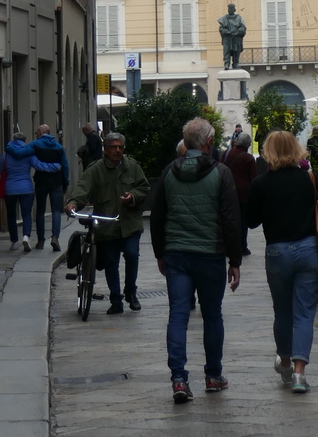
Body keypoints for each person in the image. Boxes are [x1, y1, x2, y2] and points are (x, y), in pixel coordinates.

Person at [149, 119, 243, 403]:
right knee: (212, 314)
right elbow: (230, 219)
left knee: (178, 315)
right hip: (210, 254)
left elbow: (157, 217)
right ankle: (213, 375)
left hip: (177, 253)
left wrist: (159, 253)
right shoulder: (222, 173)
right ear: (209, 142)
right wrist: (235, 260)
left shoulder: (168, 173)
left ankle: (179, 380)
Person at [244, 129, 318, 393]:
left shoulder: (260, 184)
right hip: (308, 249)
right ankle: (299, 373)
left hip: (277, 252)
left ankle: (284, 362)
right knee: (304, 313)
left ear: (268, 151)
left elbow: (251, 221)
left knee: (282, 311)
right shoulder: (310, 179)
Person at [67, 130, 149, 313]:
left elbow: (144, 187)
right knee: (111, 262)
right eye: (113, 147)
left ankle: (131, 292)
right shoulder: (96, 169)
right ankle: (115, 299)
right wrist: (73, 204)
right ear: (105, 149)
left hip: (129, 223)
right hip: (107, 225)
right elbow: (82, 188)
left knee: (132, 255)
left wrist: (133, 196)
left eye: (120, 147)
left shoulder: (133, 167)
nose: (118, 150)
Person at [0, 128, 39, 253]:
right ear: (24, 141)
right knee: (26, 214)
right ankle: (26, 236)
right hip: (26, 188)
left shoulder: (6, 154)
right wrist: (53, 166)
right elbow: (37, 165)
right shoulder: (28, 153)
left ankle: (14, 242)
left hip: (10, 188)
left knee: (11, 215)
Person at [31, 123, 70, 251]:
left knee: (40, 211)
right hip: (56, 182)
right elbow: (65, 167)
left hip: (41, 182)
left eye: (37, 132)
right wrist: (65, 184)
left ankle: (41, 240)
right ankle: (55, 237)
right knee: (56, 211)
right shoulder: (59, 148)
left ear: (41, 133)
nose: (36, 135)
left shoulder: (36, 145)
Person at [222, 128, 258, 258]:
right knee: (243, 221)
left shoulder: (226, 153)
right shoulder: (248, 158)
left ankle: (227, 245)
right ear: (248, 145)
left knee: (228, 220)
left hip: (227, 192)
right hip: (243, 194)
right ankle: (242, 246)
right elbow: (254, 177)